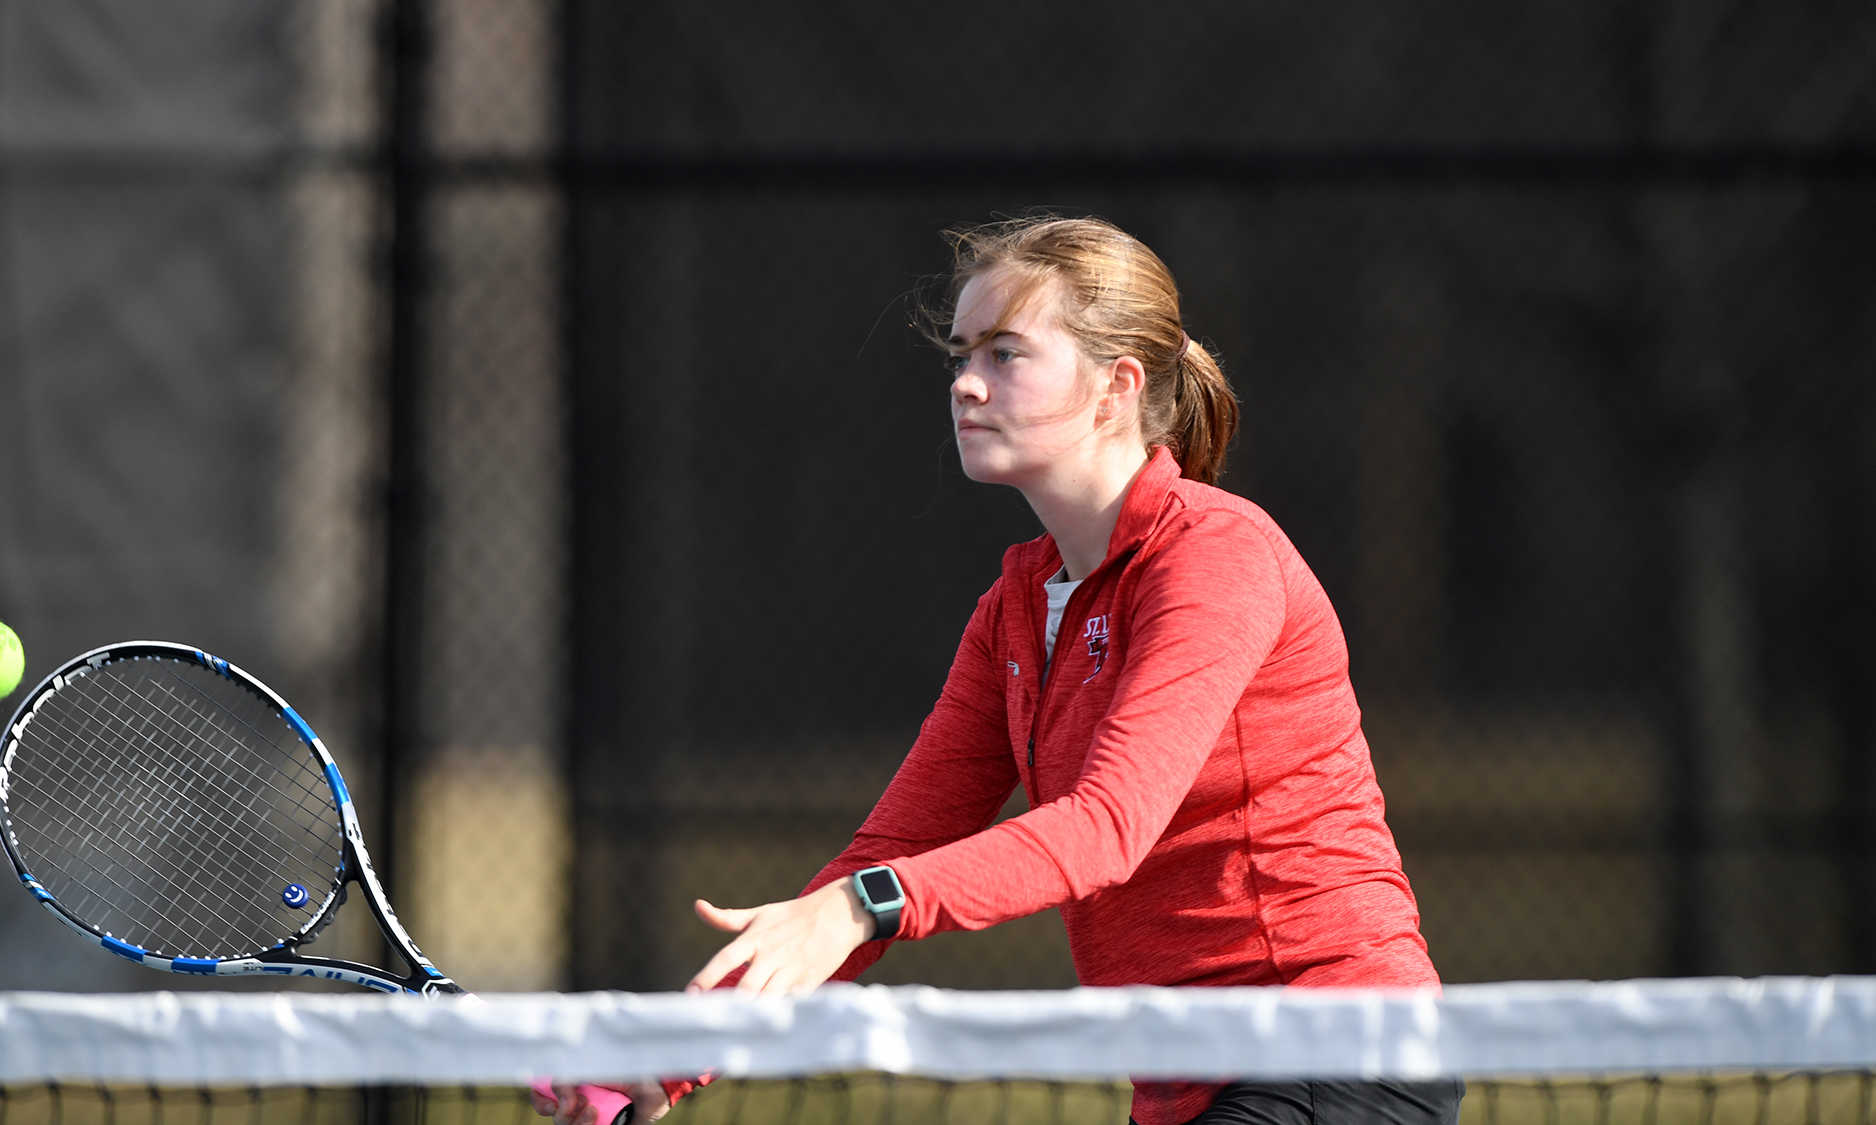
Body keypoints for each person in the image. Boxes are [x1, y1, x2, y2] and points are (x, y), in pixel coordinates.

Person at [545, 215, 1457, 1125]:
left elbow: (1105, 827)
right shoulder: (1014, 611)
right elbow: (887, 857)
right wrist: (676, 1057)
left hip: (1340, 1053)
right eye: (960, 354)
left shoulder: (1218, 556)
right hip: (1189, 1080)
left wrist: (865, 907)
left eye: (1006, 353)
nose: (966, 384)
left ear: (1116, 386)